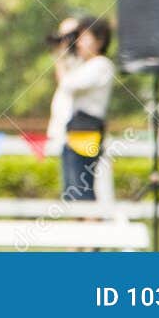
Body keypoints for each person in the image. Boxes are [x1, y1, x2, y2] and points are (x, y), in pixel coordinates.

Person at [45, 14, 115, 204]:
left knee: (82, 189)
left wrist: (60, 57)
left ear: (99, 41)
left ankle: (93, 228)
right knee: (71, 193)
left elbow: (67, 83)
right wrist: (65, 39)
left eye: (84, 38)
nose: (79, 43)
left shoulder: (101, 65)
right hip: (74, 129)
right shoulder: (83, 65)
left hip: (87, 130)